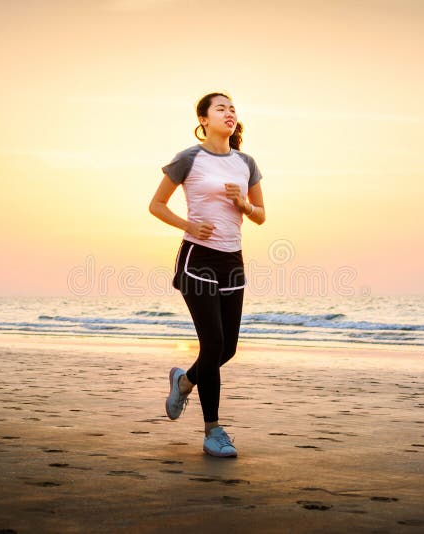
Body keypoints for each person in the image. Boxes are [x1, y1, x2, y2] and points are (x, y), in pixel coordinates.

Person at [148, 92, 266, 457]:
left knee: (227, 348)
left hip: (233, 260)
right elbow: (156, 205)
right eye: (221, 108)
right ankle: (213, 431)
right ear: (204, 119)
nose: (229, 113)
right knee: (212, 345)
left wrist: (243, 204)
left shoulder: (245, 162)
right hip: (197, 258)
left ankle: (184, 381)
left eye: (233, 108)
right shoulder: (189, 158)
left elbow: (260, 214)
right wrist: (189, 226)